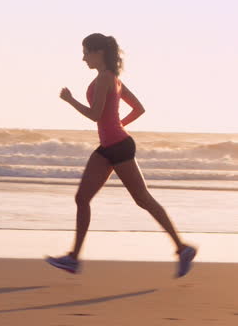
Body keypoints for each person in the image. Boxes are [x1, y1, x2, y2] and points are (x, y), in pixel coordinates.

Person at [46, 33, 196, 277]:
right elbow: (138, 109)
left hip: (117, 147)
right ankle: (73, 259)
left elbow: (95, 115)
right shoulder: (112, 78)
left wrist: (70, 100)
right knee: (82, 198)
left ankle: (182, 248)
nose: (83, 58)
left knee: (143, 199)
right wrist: (118, 126)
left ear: (98, 53)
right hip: (111, 145)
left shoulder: (106, 78)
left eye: (86, 52)